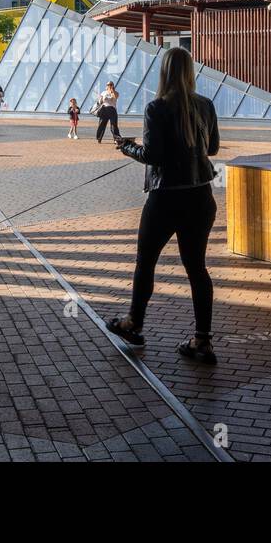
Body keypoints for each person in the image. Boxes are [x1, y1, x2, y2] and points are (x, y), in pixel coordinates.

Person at [106, 47, 221, 366]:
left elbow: (153, 156)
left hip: (166, 197)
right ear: (189, 73)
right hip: (201, 197)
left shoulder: (156, 107)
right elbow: (211, 147)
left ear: (164, 72)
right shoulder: (205, 105)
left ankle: (134, 323)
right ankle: (202, 341)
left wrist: (128, 147)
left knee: (146, 262)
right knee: (197, 268)